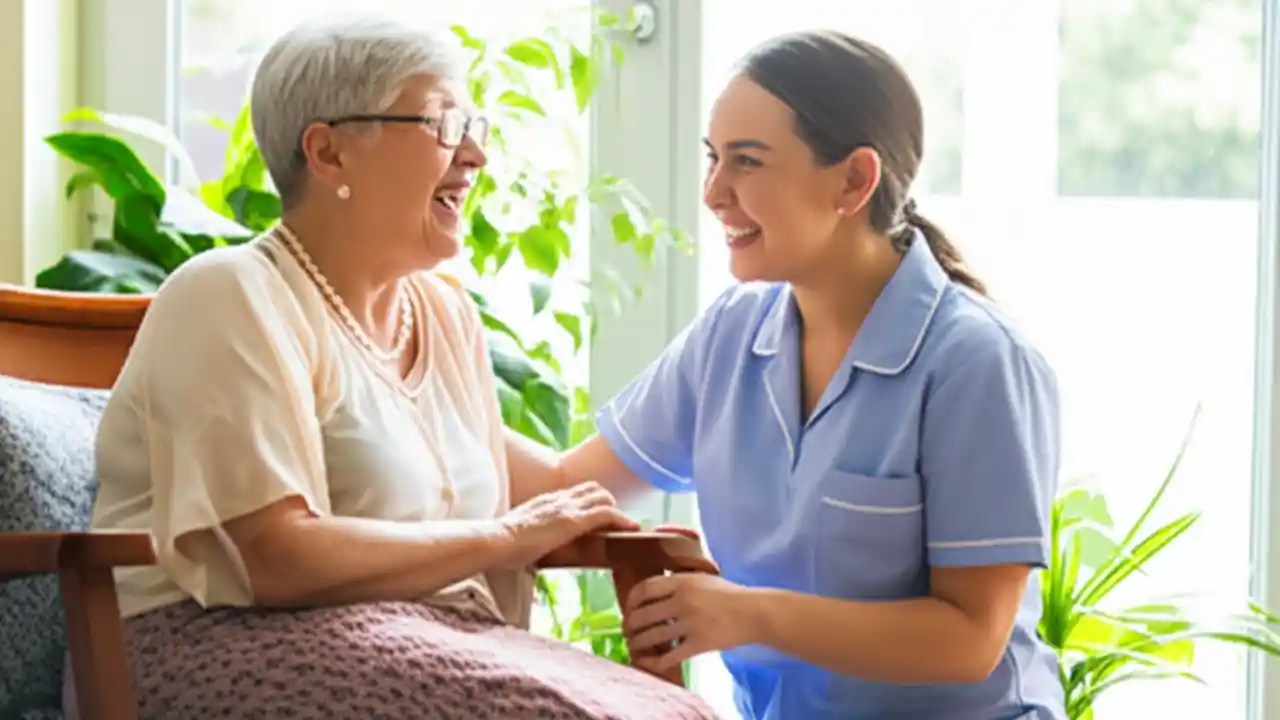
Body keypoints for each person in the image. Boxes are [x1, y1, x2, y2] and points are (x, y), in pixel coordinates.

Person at [71, 14, 717, 720]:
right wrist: (508, 536)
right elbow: (274, 555)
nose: (475, 153)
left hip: (423, 636)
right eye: (443, 122)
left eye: (476, 124)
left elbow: (549, 489)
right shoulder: (227, 293)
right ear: (329, 152)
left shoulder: (441, 313)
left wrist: (610, 508)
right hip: (204, 645)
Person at [539, 30, 1067, 720]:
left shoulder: (977, 363)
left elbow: (970, 637)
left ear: (853, 181)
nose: (713, 192)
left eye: (747, 162)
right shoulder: (730, 336)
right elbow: (564, 488)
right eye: (712, 159)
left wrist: (749, 615)